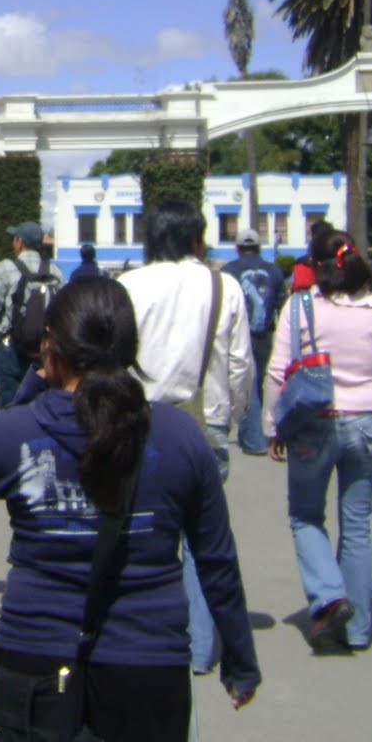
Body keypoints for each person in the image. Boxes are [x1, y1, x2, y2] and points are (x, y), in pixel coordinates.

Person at [0, 278, 259, 742]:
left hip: (36, 656)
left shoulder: (16, 431)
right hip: (148, 665)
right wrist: (240, 660)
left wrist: (36, 381)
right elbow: (216, 558)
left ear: (49, 344)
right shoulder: (179, 435)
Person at [265, 230, 372, 652]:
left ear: (316, 266)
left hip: (312, 424)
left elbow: (276, 371)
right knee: (356, 524)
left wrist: (271, 426)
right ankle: (358, 630)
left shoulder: (300, 307)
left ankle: (329, 596)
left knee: (305, 517)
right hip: (369, 424)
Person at [115, 201, 251, 677]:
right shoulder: (223, 286)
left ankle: (140, 634)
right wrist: (229, 418)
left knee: (137, 530)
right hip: (201, 423)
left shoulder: (128, 285)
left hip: (135, 422)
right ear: (197, 239)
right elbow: (239, 364)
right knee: (201, 539)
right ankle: (197, 646)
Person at [0, 222, 64, 409]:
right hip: (44, 350)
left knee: (10, 406)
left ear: (20, 242)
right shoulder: (54, 271)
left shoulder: (6, 268)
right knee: (44, 406)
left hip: (11, 345)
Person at [221, 229, 288, 457]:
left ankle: (253, 438)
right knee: (260, 382)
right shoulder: (274, 271)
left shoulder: (228, 271)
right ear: (259, 247)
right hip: (266, 336)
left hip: (238, 334)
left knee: (245, 384)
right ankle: (260, 429)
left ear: (238, 248)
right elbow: (283, 305)